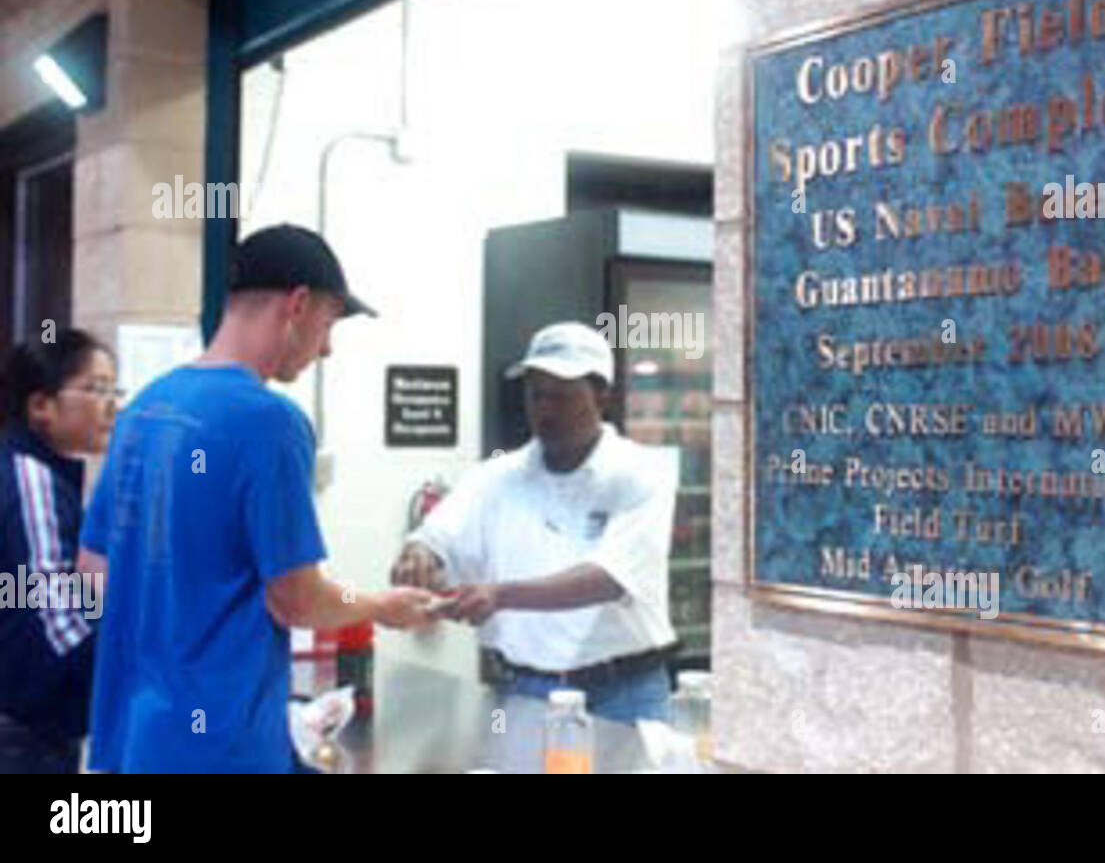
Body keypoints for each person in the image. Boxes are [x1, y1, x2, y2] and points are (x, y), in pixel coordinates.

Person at [80, 224, 440, 773]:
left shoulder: (142, 411)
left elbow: (93, 573)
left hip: (131, 741)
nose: (328, 347)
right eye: (328, 323)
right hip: (219, 752)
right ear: (297, 304)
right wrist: (380, 606)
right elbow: (296, 599)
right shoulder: (268, 422)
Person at [392, 321, 678, 724]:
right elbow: (435, 538)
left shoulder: (640, 473)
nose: (545, 409)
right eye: (536, 394)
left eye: (561, 396)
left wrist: (500, 594)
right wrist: (419, 556)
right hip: (522, 691)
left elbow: (608, 579)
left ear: (602, 397)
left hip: (622, 693)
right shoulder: (495, 476)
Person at [0, 329, 117, 773]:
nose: (112, 404)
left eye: (113, 389)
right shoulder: (32, 481)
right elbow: (55, 621)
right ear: (40, 407)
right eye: (95, 388)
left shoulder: (44, 477)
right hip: (23, 736)